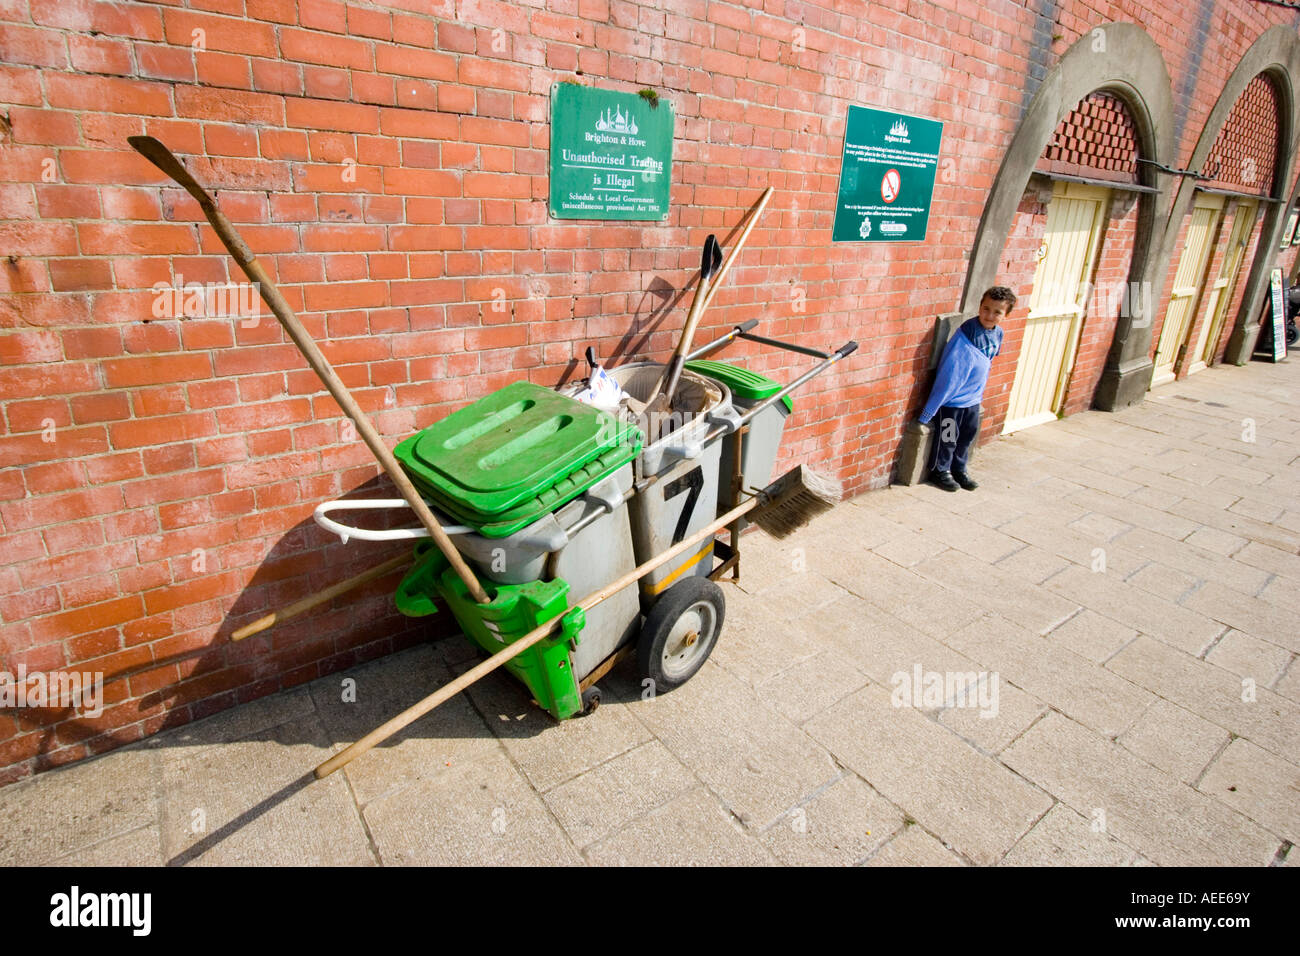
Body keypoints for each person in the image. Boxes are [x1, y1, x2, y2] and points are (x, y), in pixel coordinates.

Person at [917, 286, 1016, 491]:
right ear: (979, 306)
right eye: (986, 309)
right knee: (948, 436)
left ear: (1006, 315)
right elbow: (950, 374)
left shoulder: (998, 334)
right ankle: (940, 470)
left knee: (966, 436)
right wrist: (929, 412)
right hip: (952, 402)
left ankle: (959, 468)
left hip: (973, 399)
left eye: (997, 312)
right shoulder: (967, 335)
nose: (989, 315)